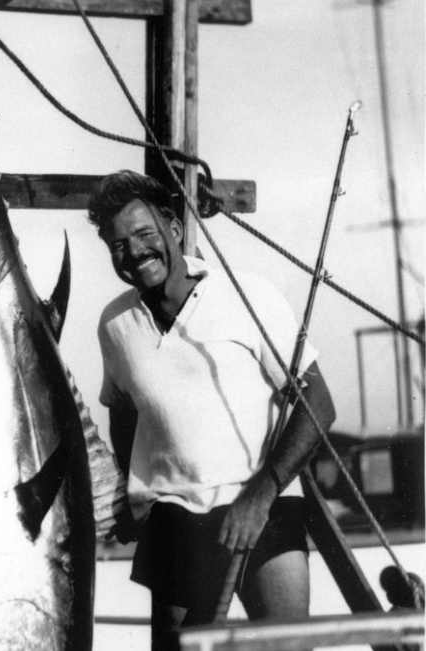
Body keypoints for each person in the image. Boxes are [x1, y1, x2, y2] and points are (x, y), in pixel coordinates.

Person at [87, 170, 336, 650]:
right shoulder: (115, 325)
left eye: (144, 234)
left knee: (287, 647)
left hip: (264, 504)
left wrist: (259, 495)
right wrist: (130, 492)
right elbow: (122, 408)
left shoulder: (249, 293)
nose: (135, 252)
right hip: (174, 517)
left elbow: (318, 404)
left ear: (174, 230)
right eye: (118, 245)